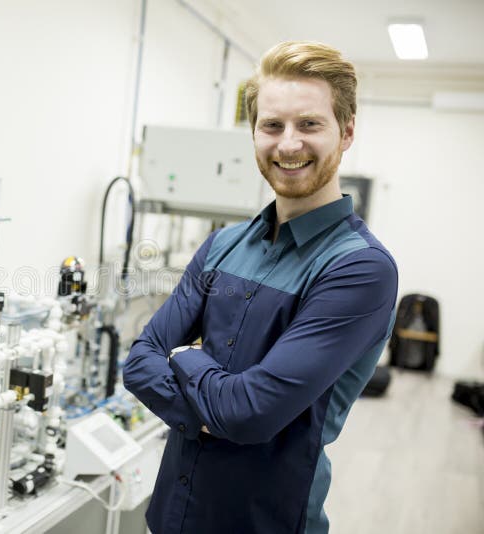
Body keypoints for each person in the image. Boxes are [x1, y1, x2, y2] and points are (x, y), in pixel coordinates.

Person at [123, 41, 398, 534]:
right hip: (169, 516)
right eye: (272, 125)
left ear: (347, 131)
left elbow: (249, 414)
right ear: (254, 132)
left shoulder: (360, 270)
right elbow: (140, 360)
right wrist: (215, 410)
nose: (288, 144)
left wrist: (185, 357)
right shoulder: (223, 245)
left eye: (309, 124)